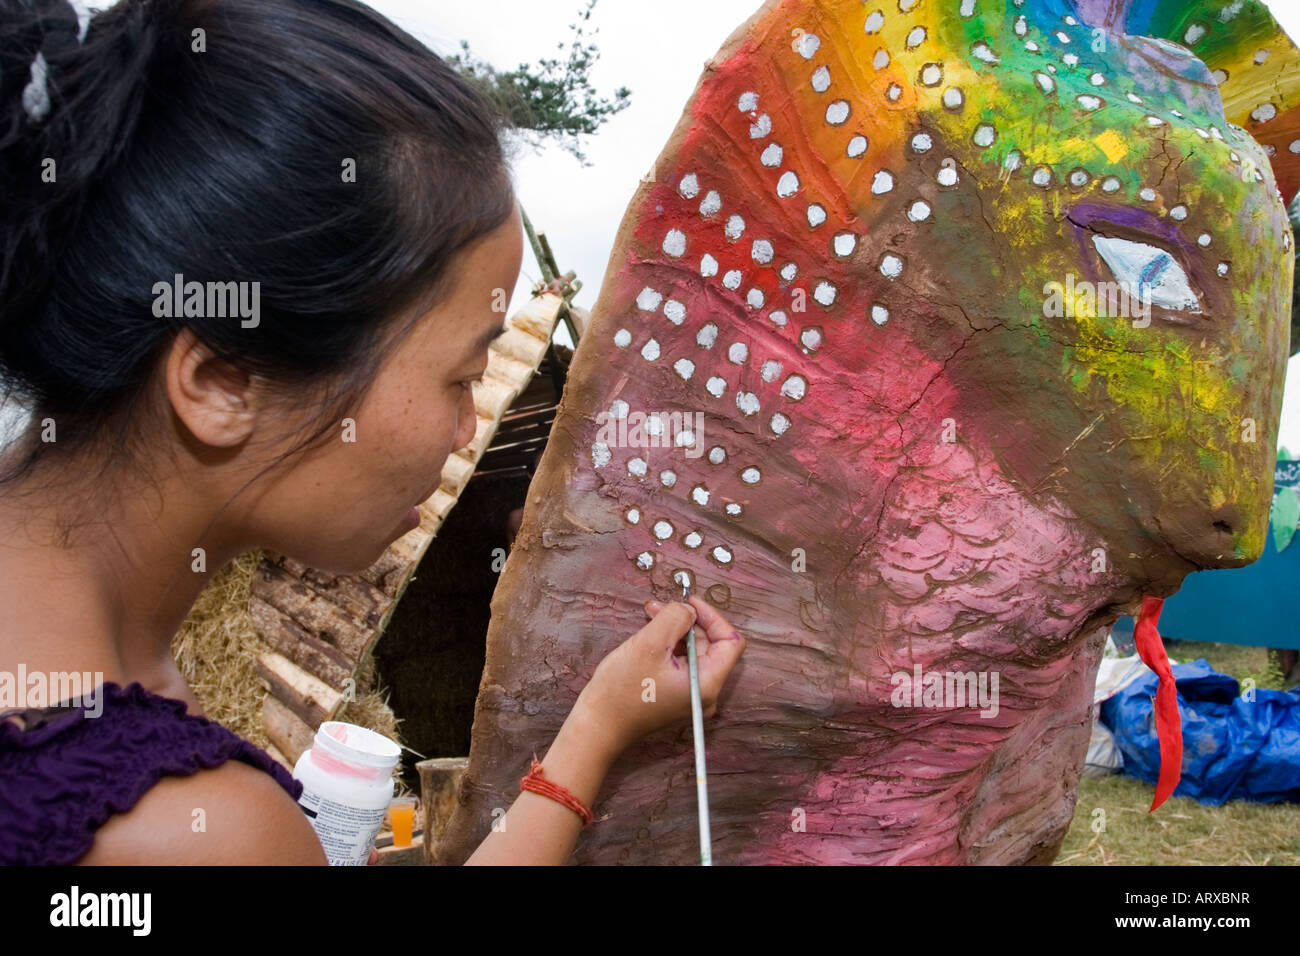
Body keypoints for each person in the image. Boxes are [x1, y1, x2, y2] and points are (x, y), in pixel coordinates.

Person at [0, 0, 744, 865]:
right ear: (220, 384)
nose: (470, 429)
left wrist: (596, 726)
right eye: (461, 377)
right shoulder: (188, 833)